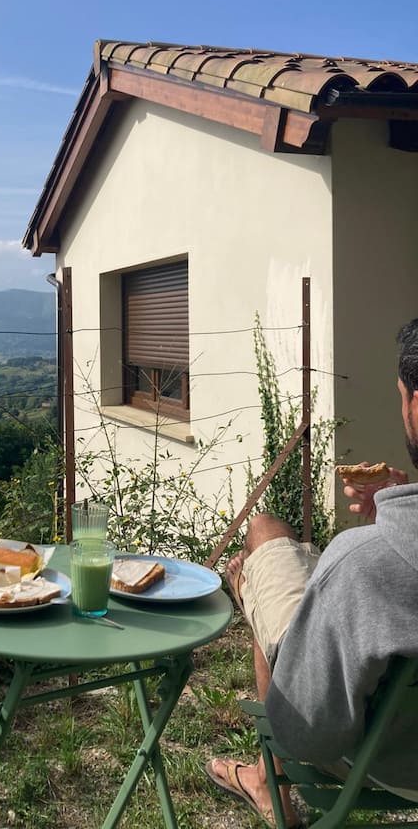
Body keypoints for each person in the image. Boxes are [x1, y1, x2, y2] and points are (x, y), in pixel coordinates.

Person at [205, 318, 418, 828]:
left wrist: (250, 593)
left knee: (262, 538)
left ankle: (264, 776)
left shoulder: (361, 563)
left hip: (388, 763)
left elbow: (304, 732)